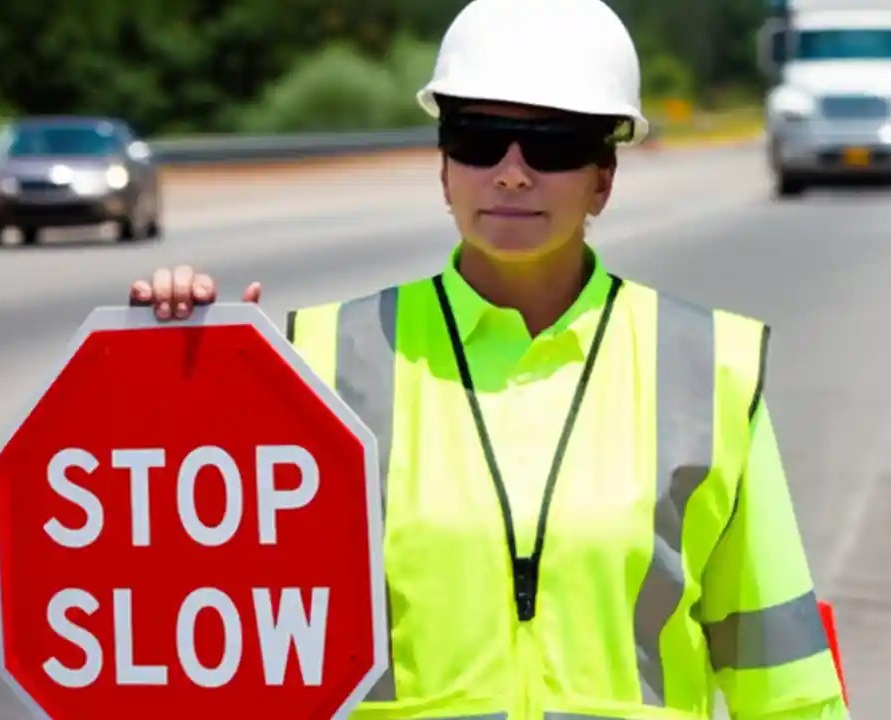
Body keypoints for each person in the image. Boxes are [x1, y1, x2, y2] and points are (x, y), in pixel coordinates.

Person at [128, 0, 849, 717]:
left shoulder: (709, 369)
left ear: (603, 177)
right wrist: (177, 373)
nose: (510, 173)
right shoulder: (315, 362)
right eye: (478, 140)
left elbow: (784, 683)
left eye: (552, 146)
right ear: (445, 168)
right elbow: (202, 624)